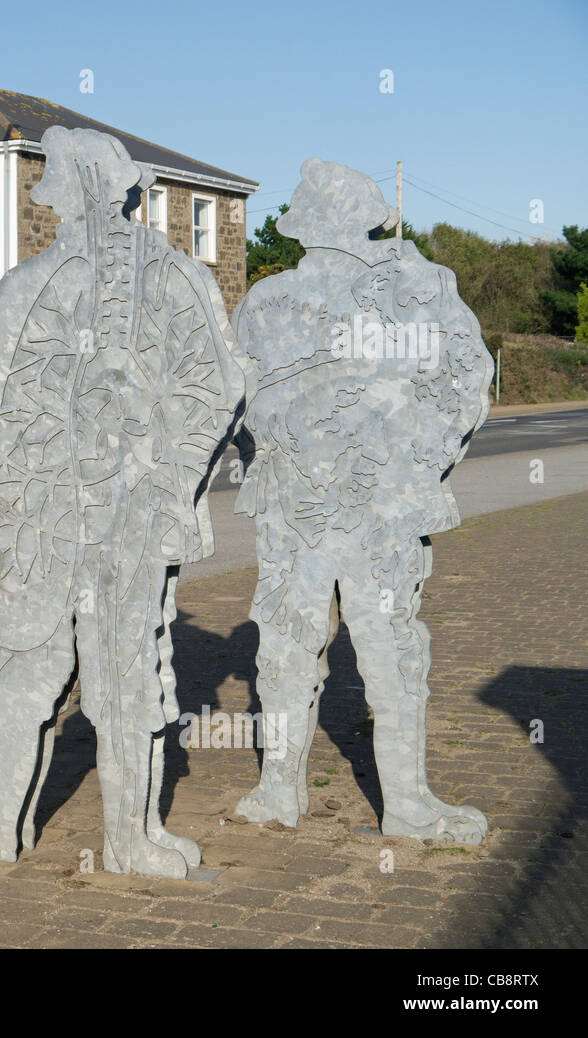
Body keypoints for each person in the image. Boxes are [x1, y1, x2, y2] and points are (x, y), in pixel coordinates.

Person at [0, 127, 244, 876]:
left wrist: (30, 469)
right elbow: (216, 386)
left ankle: (113, 834)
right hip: (74, 513)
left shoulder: (59, 282)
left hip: (104, 513)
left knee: (87, 664)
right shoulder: (161, 276)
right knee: (74, 663)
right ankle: (46, 830)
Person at [231, 158, 491, 844]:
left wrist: (416, 462)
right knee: (295, 646)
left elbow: (467, 379)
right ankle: (283, 787)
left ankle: (398, 801)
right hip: (306, 512)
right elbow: (239, 404)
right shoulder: (270, 303)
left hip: (374, 511)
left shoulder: (416, 288)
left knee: (383, 648)